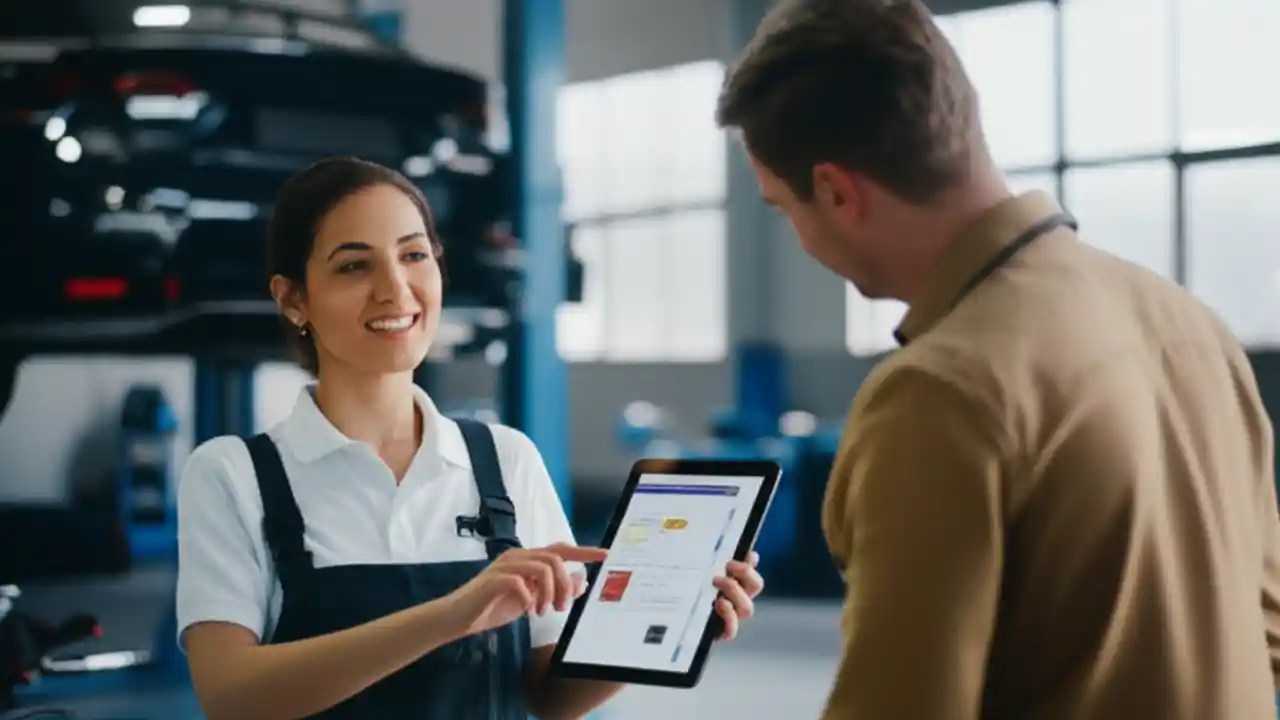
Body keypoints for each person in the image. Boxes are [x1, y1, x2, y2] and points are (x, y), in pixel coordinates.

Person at [716, 1, 1280, 718]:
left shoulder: (939, 393)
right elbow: (1264, 627)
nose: (797, 234)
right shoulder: (1188, 323)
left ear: (833, 191)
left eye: (782, 207)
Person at [174, 156, 765, 720]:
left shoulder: (504, 461)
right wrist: (452, 615)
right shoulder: (235, 474)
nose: (395, 289)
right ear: (293, 298)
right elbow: (231, 697)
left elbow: (549, 698)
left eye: (414, 255)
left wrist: (676, 623)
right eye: (355, 266)